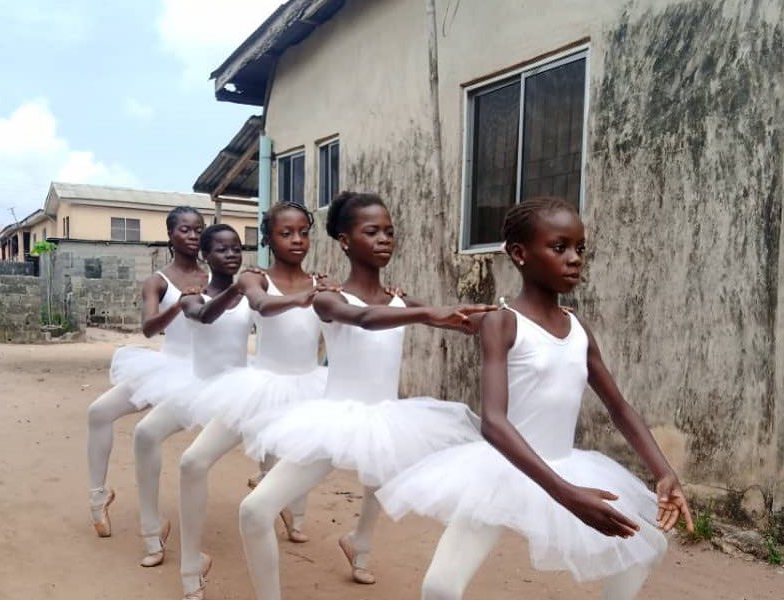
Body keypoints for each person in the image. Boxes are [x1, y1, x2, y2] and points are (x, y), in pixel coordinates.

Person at [377, 197, 695, 600]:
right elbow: (494, 422)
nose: (575, 258)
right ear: (520, 254)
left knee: (648, 548)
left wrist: (663, 471)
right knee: (441, 587)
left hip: (569, 466)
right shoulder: (504, 323)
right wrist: (565, 493)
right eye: (559, 247)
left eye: (580, 248)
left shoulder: (577, 329)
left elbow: (618, 407)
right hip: (502, 468)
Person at [237, 191, 496, 600]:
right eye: (371, 231)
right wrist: (428, 313)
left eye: (390, 232)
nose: (384, 240)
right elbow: (363, 318)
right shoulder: (329, 297)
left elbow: (456, 318)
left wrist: (496, 317)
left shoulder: (399, 298)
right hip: (335, 419)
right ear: (344, 240)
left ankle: (359, 543)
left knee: (380, 472)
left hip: (388, 416)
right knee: (253, 511)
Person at [176, 202, 335, 600]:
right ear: (268, 239)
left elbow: (352, 321)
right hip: (260, 388)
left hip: (308, 388)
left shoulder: (322, 282)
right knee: (192, 461)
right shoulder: (254, 278)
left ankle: (329, 533)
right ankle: (190, 564)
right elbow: (262, 305)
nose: (297, 240)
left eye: (303, 232)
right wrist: (305, 297)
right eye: (286, 233)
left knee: (307, 468)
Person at [131, 224, 252, 569]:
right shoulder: (193, 296)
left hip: (239, 388)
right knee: (144, 433)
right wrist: (235, 291)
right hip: (199, 385)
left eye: (236, 248)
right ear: (206, 255)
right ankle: (152, 531)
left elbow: (277, 313)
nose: (231, 255)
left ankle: (290, 512)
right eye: (222, 249)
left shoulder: (252, 292)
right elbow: (205, 315)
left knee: (272, 441)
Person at [86, 206, 206, 538]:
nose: (193, 235)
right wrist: (179, 305)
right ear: (170, 235)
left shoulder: (215, 276)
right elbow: (148, 329)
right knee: (98, 412)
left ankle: (272, 487)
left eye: (198, 229)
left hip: (203, 371)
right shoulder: (158, 280)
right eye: (185, 229)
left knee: (258, 409)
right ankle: (98, 498)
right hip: (166, 366)